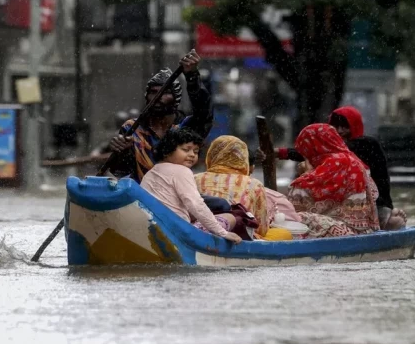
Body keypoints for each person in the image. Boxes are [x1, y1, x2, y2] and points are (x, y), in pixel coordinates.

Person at [258, 106, 407, 230]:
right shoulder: (342, 158)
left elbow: (316, 150)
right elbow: (315, 150)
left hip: (375, 204)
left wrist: (285, 156)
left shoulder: (362, 146)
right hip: (358, 210)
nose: (340, 131)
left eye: (345, 126)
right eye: (336, 126)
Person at [109, 50, 214, 182]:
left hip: (176, 195)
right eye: (153, 92)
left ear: (176, 99)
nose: (157, 97)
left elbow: (204, 112)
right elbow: (119, 171)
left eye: (165, 93)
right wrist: (121, 151)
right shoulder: (132, 128)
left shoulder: (185, 128)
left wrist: (192, 76)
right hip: (140, 196)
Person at [139, 128, 242, 244]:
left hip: (153, 228)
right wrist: (222, 233)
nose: (192, 155)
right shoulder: (182, 171)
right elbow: (196, 204)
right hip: (178, 233)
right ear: (167, 151)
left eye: (196, 151)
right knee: (231, 218)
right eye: (186, 149)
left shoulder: (150, 173)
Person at [287, 124, 380, 238]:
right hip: (363, 230)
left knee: (297, 218)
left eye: (307, 153)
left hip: (349, 232)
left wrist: (306, 173)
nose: (308, 158)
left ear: (315, 147)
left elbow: (298, 194)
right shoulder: (351, 159)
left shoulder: (339, 161)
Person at [194, 135, 289, 237]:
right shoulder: (253, 184)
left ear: (212, 155)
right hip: (241, 237)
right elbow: (261, 229)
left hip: (198, 232)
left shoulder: (194, 178)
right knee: (283, 234)